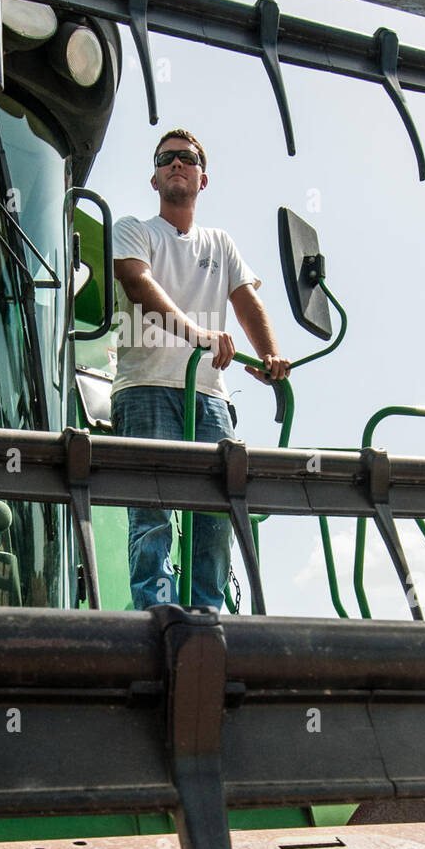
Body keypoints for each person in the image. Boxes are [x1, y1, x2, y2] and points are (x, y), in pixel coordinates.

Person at [111, 128, 290, 610]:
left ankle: (207, 621)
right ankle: (158, 617)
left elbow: (247, 301)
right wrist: (200, 335)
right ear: (154, 177)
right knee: (152, 516)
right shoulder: (135, 230)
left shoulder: (221, 244)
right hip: (145, 387)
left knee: (214, 518)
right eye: (166, 158)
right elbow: (136, 283)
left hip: (210, 395)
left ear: (202, 178)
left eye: (186, 158)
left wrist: (269, 356)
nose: (176, 164)